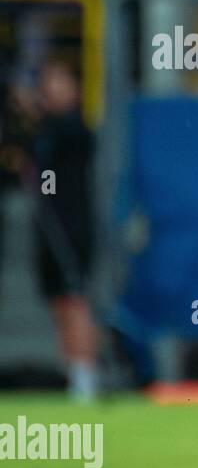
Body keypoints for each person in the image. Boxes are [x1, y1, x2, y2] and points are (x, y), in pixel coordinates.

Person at [26, 60, 102, 401]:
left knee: (75, 300)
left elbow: (65, 138)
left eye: (59, 83)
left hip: (74, 228)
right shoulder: (41, 132)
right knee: (58, 302)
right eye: (47, 84)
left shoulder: (75, 129)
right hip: (47, 228)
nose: (51, 90)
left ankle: (86, 376)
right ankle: (70, 371)